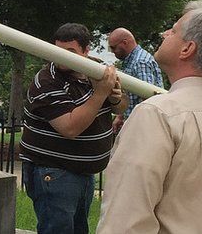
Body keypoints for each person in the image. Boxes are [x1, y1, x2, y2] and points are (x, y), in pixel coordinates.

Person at [97, 0, 202, 234]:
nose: (165, 34)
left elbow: (124, 221)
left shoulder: (158, 115)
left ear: (187, 49)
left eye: (173, 30)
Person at [20, 23, 129, 234]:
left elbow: (121, 104)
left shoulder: (96, 70)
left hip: (83, 173)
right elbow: (70, 128)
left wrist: (115, 98)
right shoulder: (46, 82)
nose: (63, 57)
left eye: (70, 52)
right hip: (53, 172)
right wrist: (100, 94)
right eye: (58, 50)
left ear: (86, 50)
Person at [107, 27, 164, 131]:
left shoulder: (140, 62)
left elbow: (148, 98)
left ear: (124, 43)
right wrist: (121, 117)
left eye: (113, 47)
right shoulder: (132, 60)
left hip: (142, 126)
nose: (112, 51)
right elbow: (133, 95)